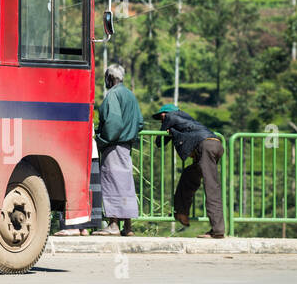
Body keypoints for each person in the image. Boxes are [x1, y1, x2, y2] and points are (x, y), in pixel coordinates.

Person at [154, 103, 225, 239]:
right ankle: (181, 213)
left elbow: (159, 142)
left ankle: (217, 230)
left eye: (160, 118)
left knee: (211, 187)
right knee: (189, 175)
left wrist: (168, 131)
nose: (161, 120)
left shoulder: (170, 116)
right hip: (214, 144)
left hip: (206, 147)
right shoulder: (186, 118)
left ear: (164, 114)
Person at [95, 64, 142, 236]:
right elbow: (140, 122)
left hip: (113, 146)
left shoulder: (113, 95)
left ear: (109, 78)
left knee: (112, 183)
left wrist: (101, 140)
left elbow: (113, 125)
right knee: (125, 184)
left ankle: (113, 224)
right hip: (126, 146)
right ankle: (128, 227)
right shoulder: (130, 95)